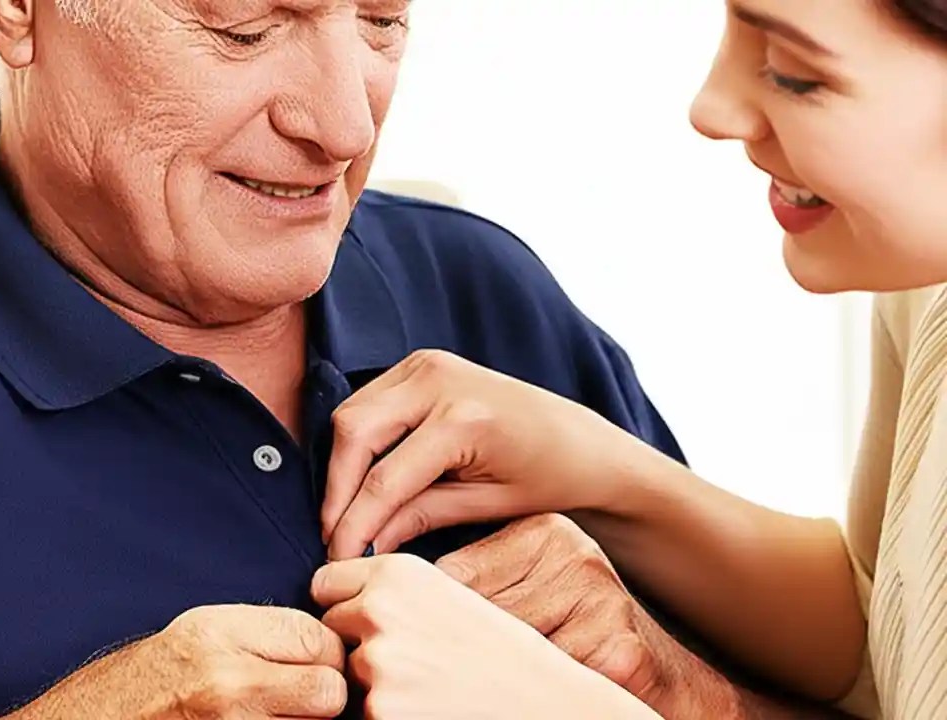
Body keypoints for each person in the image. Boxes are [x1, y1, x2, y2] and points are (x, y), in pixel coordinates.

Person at [0, 1, 722, 718]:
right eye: (244, 25)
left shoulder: (490, 298)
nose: (344, 123)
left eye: (381, 20)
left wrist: (670, 686)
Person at [315, 0, 947, 718]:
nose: (711, 107)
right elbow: (890, 627)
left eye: (794, 74)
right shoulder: (924, 283)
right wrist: (604, 477)